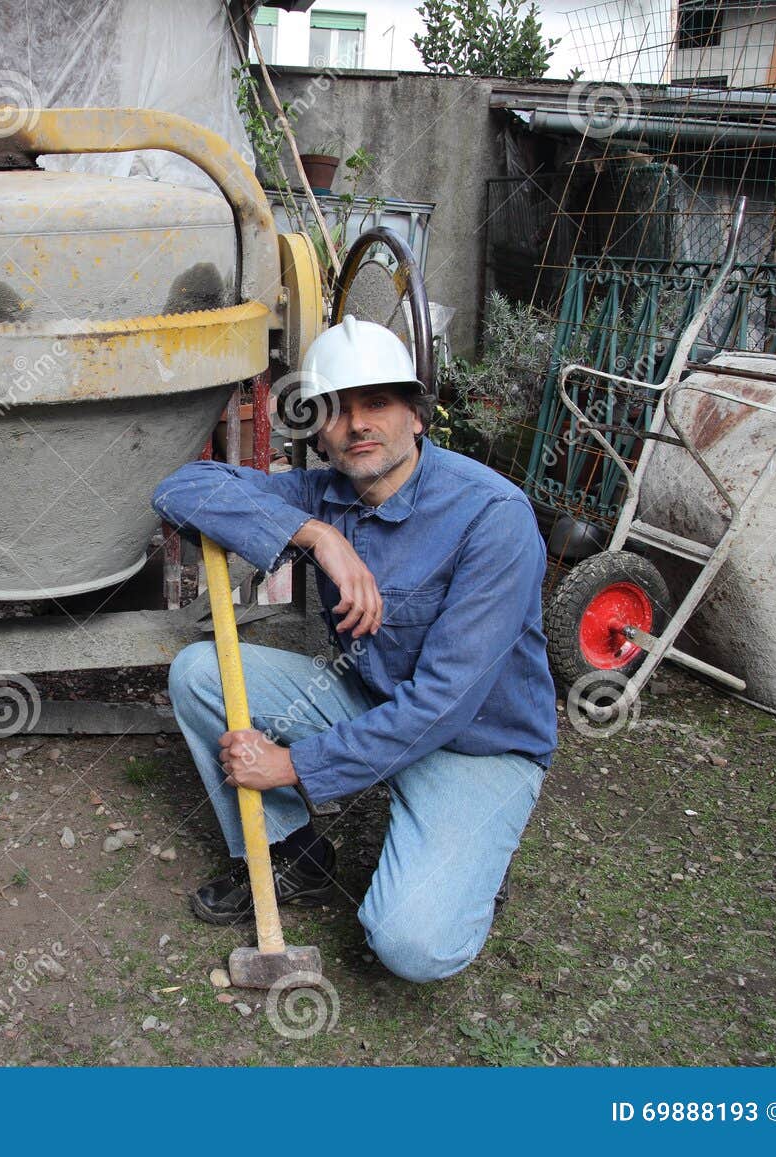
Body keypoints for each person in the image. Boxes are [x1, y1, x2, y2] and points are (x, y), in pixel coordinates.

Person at [151, 316, 558, 983]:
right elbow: (179, 489)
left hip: (478, 745)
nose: (356, 424)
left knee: (411, 944)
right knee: (201, 672)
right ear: (317, 427)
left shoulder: (492, 517)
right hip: (368, 701)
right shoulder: (328, 495)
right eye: (336, 408)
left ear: (418, 417)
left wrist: (290, 765)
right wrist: (317, 535)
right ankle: (293, 858)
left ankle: (470, 859)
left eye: (377, 403)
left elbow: (443, 705)